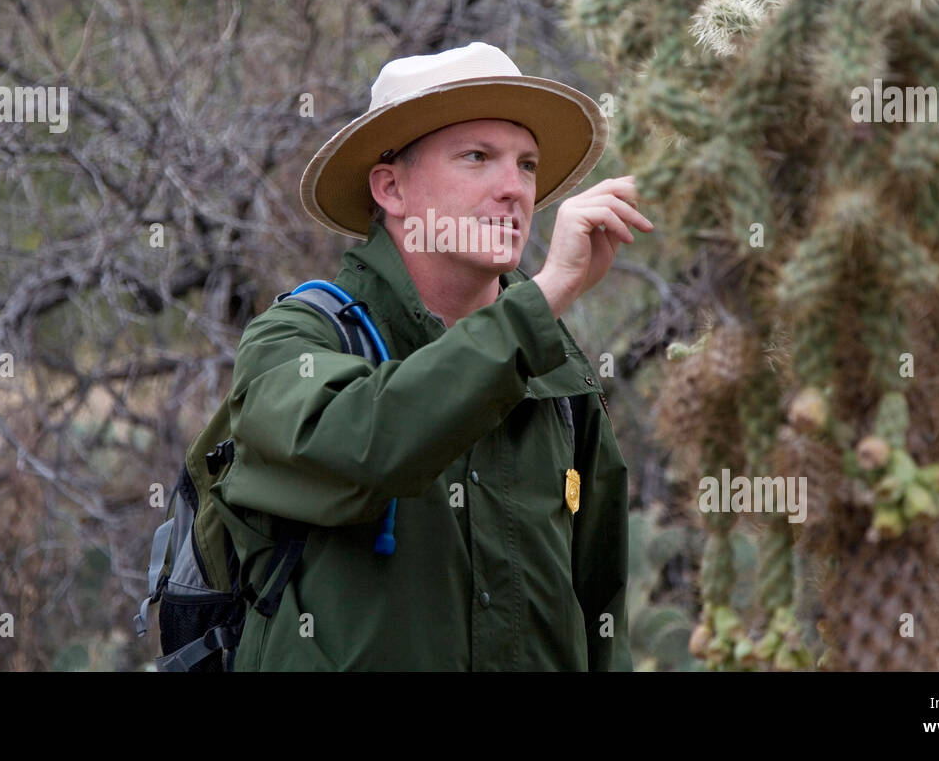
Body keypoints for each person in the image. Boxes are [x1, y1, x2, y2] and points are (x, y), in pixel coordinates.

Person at [213, 41, 653, 670]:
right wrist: (547, 299)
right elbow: (371, 445)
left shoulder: (559, 369)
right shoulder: (295, 341)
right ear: (391, 188)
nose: (515, 190)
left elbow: (601, 604)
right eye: (477, 158)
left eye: (527, 165)